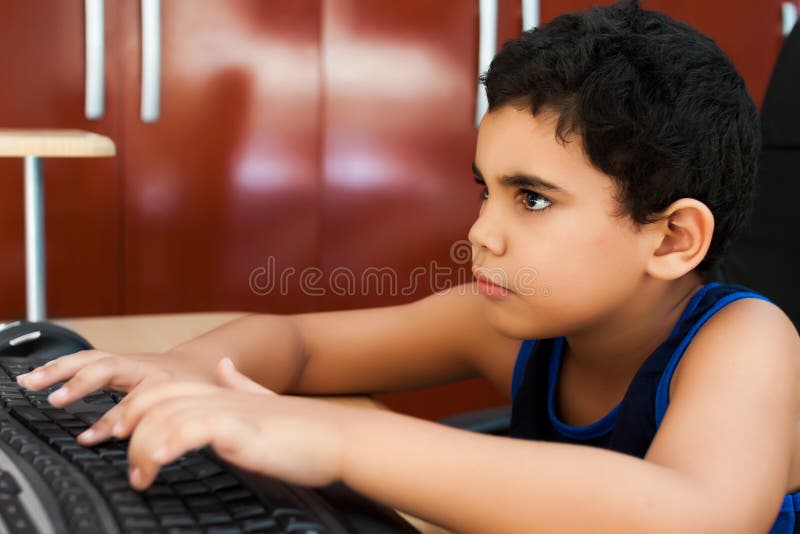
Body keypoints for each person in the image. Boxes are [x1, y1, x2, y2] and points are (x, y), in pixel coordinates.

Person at [15, 0, 800, 531]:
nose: (482, 233)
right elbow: (301, 346)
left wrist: (333, 440)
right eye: (483, 190)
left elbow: (691, 515)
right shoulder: (500, 321)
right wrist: (181, 372)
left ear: (670, 240)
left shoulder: (747, 342)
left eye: (530, 199)